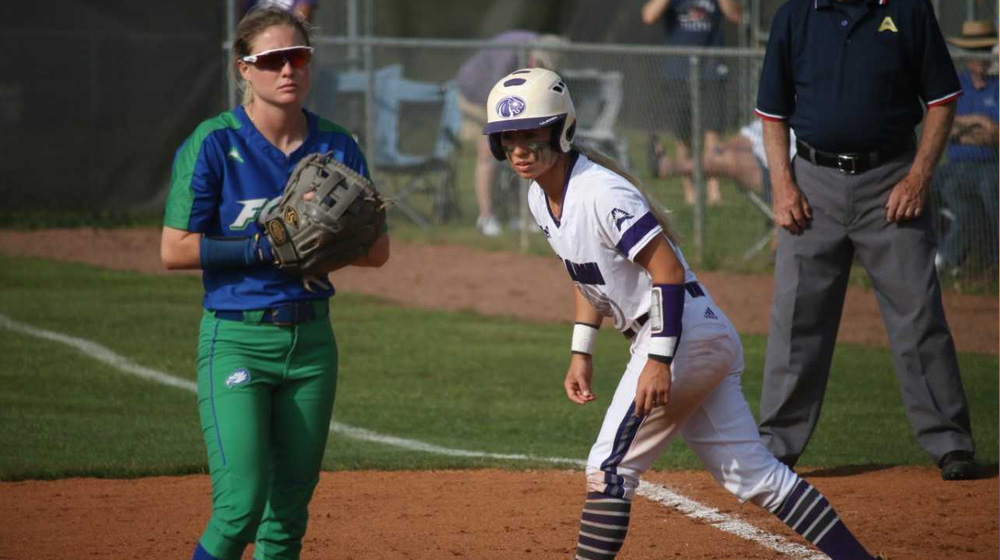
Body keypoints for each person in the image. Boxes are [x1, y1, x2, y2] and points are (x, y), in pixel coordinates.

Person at [484, 67, 883, 560]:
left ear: (560, 129)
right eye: (507, 138)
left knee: (609, 468)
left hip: (678, 335)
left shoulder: (602, 193)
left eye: (531, 133)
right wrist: (580, 350)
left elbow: (667, 272)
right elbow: (587, 275)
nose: (520, 148)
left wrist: (659, 359)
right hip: (697, 333)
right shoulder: (541, 197)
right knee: (754, 474)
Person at [160, 8, 390, 560]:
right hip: (236, 339)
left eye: (299, 56)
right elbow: (174, 250)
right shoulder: (213, 143)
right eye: (272, 60)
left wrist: (325, 244)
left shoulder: (337, 146)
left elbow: (378, 250)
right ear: (245, 69)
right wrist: (263, 247)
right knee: (241, 505)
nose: (288, 70)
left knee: (287, 515)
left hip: (311, 345)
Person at [755, 0, 976, 481]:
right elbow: (773, 112)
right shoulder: (796, 15)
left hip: (891, 181)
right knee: (797, 318)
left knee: (918, 313)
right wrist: (782, 185)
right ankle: (776, 445)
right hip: (812, 183)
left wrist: (918, 177)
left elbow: (942, 101)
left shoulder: (909, 10)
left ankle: (950, 441)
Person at [455, 31, 565, 236]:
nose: (539, 69)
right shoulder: (507, 54)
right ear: (533, 53)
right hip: (478, 97)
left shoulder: (538, 53)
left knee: (524, 150)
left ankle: (521, 216)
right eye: (539, 63)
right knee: (488, 152)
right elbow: (496, 96)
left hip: (512, 101)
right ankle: (486, 217)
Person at [641, 0, 743, 206]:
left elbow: (737, 16)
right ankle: (690, 195)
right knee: (683, 138)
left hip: (712, 72)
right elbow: (648, 16)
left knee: (713, 136)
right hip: (678, 74)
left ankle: (714, 194)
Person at [933, 20, 999, 276]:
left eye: (983, 51)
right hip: (955, 165)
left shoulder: (998, 86)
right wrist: (978, 122)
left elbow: (994, 135)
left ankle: (959, 258)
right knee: (925, 185)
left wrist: (961, 130)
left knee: (980, 189)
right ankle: (940, 251)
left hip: (988, 166)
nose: (979, 59)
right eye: (974, 52)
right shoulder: (956, 84)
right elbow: (944, 126)